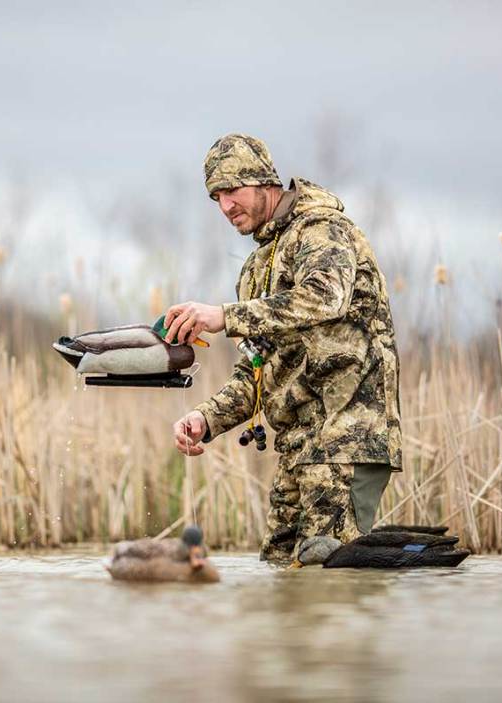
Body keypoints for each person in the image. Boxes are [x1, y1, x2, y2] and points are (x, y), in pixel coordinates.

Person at [165, 133, 402, 562]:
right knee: (281, 572)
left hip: (346, 438)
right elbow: (256, 370)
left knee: (325, 583)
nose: (225, 206)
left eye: (232, 190)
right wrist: (205, 418)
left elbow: (325, 296)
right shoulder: (257, 267)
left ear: (264, 182)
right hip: (298, 447)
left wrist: (225, 316)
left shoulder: (322, 229)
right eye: (216, 196)